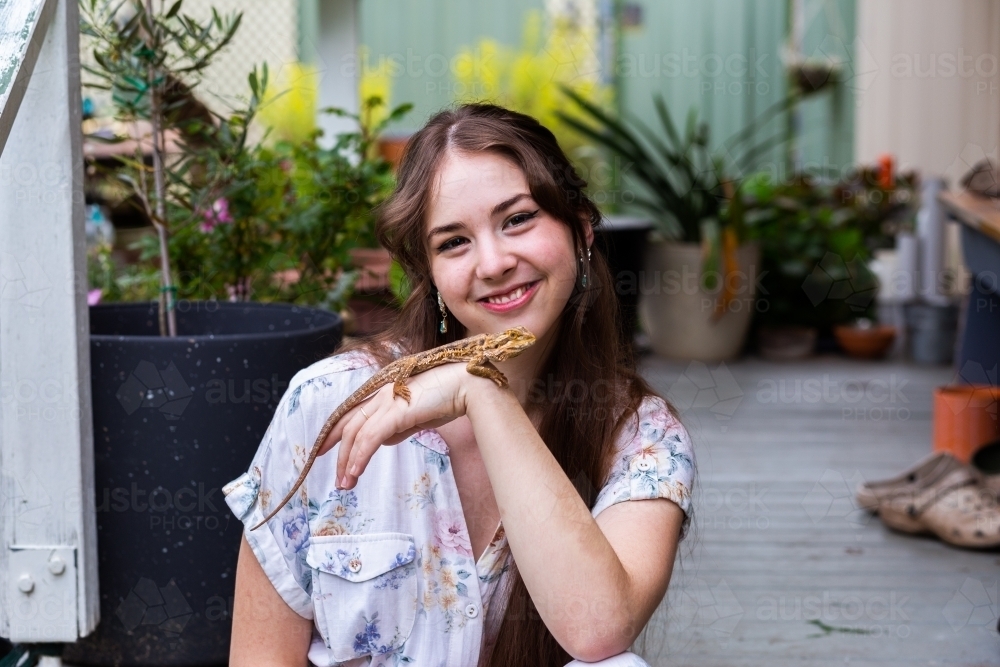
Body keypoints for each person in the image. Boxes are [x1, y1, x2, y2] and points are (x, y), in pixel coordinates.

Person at [224, 103, 695, 667]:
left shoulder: (642, 434)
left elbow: (599, 631)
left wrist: (483, 395)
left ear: (581, 229)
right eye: (453, 242)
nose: (493, 262)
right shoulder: (325, 395)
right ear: (431, 276)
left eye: (518, 218)